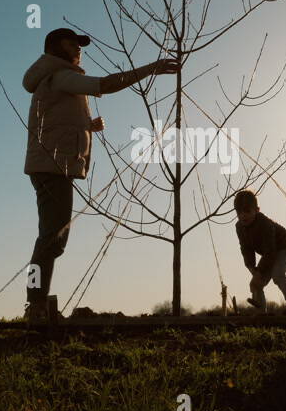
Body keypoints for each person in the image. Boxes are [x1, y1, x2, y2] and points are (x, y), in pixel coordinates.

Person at [21, 28, 179, 321]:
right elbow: (105, 84)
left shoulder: (56, 78)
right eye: (73, 44)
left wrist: (85, 125)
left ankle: (37, 303)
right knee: (49, 240)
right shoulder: (60, 75)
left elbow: (54, 120)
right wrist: (151, 68)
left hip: (53, 166)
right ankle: (35, 304)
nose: (79, 49)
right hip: (51, 167)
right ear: (57, 47)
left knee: (52, 240)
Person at [234, 189, 286, 312]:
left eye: (247, 211)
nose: (243, 215)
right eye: (239, 212)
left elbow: (270, 251)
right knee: (255, 284)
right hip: (268, 254)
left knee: (277, 275)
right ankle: (261, 312)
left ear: (257, 210)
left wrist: (259, 272)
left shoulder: (265, 224)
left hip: (284, 249)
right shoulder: (239, 227)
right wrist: (252, 268)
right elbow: (246, 249)